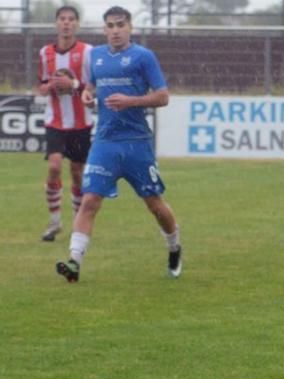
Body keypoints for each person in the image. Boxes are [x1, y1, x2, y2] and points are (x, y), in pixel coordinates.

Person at [55, 6, 181, 282]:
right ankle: (74, 262)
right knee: (89, 200)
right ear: (104, 30)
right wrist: (88, 95)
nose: (115, 30)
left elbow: (163, 97)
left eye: (120, 25)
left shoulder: (143, 57)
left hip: (136, 143)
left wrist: (131, 101)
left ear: (130, 27)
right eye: (110, 26)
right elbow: (91, 86)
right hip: (105, 142)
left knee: (155, 205)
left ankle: (174, 246)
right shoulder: (96, 56)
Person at [36, 6, 92, 242]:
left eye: (71, 19)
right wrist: (48, 87)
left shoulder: (88, 52)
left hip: (81, 124)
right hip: (55, 122)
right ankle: (54, 222)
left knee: (77, 174)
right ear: (56, 24)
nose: (66, 23)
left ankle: (77, 225)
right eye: (62, 19)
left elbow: (92, 86)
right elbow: (40, 86)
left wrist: (74, 85)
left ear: (77, 24)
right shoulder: (45, 53)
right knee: (54, 166)